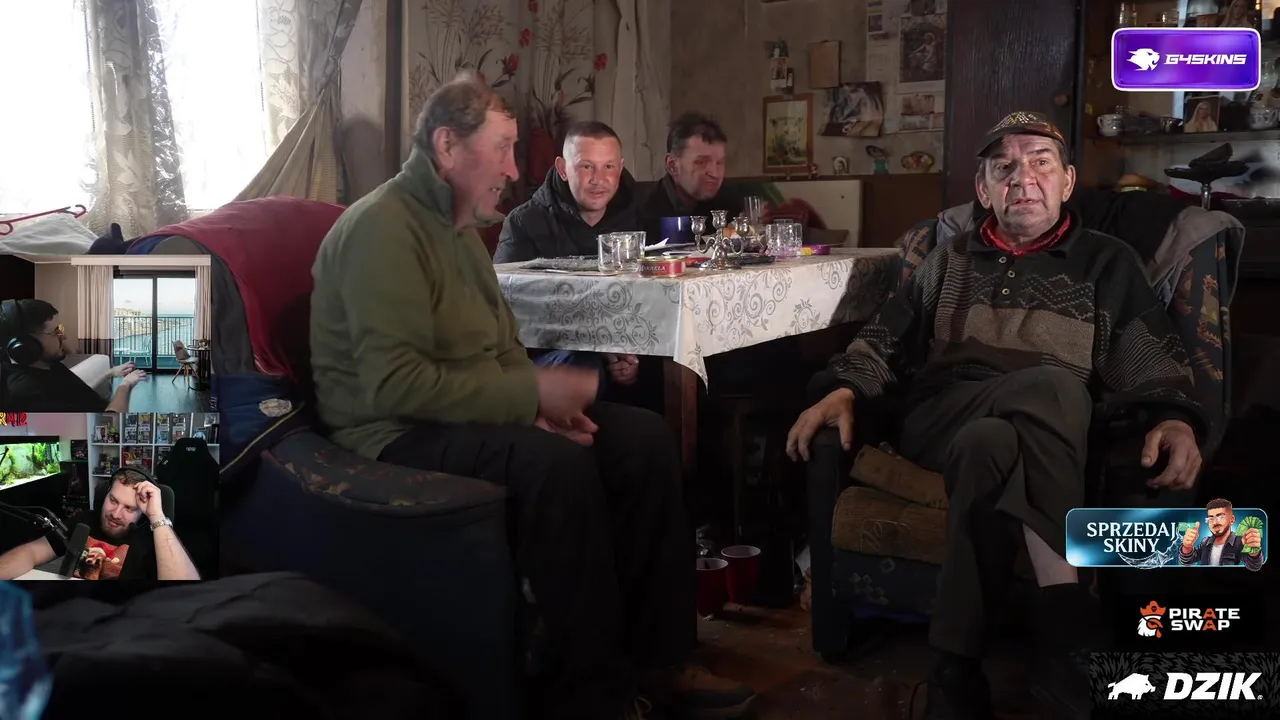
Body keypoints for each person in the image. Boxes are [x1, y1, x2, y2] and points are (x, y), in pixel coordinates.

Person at [308, 73, 755, 720]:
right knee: (559, 468)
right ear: (447, 146)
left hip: (467, 413)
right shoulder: (383, 229)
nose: (515, 170)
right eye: (502, 149)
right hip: (395, 431)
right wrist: (530, 394)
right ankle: (593, 695)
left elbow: (496, 348)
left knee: (642, 439)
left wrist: (540, 407)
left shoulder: (458, 230)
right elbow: (394, 384)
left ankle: (662, 660)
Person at [786, 111, 1208, 719]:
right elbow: (885, 338)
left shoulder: (1107, 262)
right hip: (943, 414)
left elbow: (1152, 355)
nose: (1022, 177)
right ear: (984, 190)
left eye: (1040, 162)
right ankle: (1067, 627)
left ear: (1066, 182)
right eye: (1003, 167)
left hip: (1025, 435)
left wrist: (1176, 417)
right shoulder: (949, 259)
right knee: (1055, 388)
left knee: (992, 443)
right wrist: (846, 387)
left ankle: (954, 671)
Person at [492, 120, 646, 394]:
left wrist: (630, 360)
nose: (598, 179)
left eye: (608, 167)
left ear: (621, 168)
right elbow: (506, 310)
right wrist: (599, 347)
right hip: (550, 361)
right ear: (563, 169)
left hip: (632, 353)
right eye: (586, 166)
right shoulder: (524, 223)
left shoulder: (642, 216)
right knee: (581, 365)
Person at [0, 467, 200, 581]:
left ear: (143, 511)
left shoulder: (152, 539)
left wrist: (157, 516)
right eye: (113, 500)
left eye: (129, 508)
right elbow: (32, 551)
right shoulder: (84, 520)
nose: (115, 514)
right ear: (105, 494)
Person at [1, 299, 147, 412]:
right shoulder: (28, 394)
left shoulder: (49, 365)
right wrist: (125, 385)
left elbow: (75, 394)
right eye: (55, 332)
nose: (64, 337)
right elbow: (110, 425)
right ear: (25, 344)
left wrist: (109, 373)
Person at [639, 112, 747, 239]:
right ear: (673, 165)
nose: (714, 173)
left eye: (719, 163)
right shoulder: (642, 213)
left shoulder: (728, 204)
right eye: (701, 162)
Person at [1178, 499, 1264, 570]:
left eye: (1221, 517)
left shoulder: (1239, 542)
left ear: (1232, 520)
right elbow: (1187, 561)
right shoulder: (1205, 542)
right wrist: (1187, 547)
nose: (1215, 522)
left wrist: (1254, 552)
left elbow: (1254, 566)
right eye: (1211, 518)